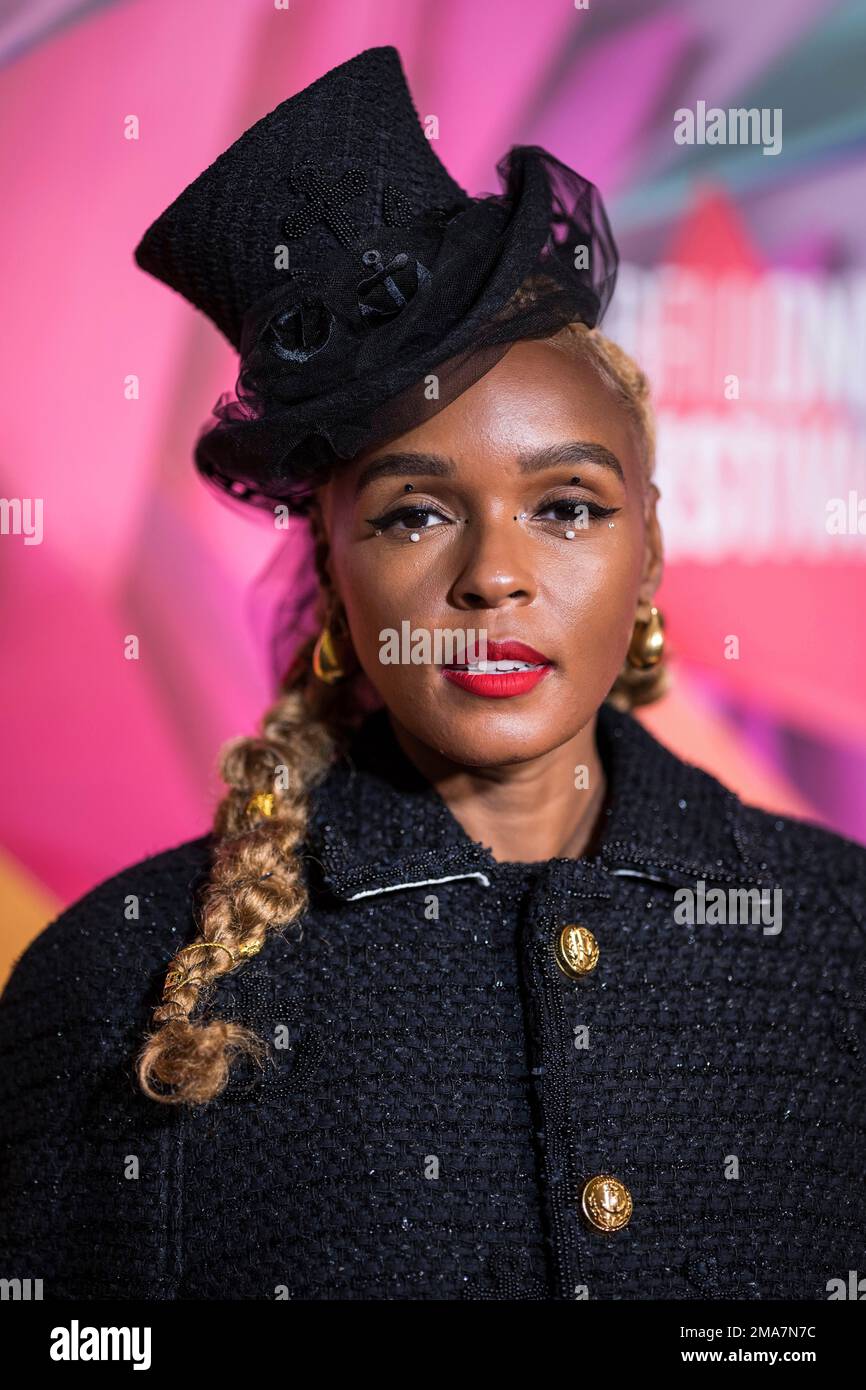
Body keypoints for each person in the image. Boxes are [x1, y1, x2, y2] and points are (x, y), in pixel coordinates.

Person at [1, 45, 864, 1303]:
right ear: (330, 569)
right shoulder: (109, 983)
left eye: (565, 506)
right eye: (412, 515)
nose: (494, 578)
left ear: (649, 546)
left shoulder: (838, 937)